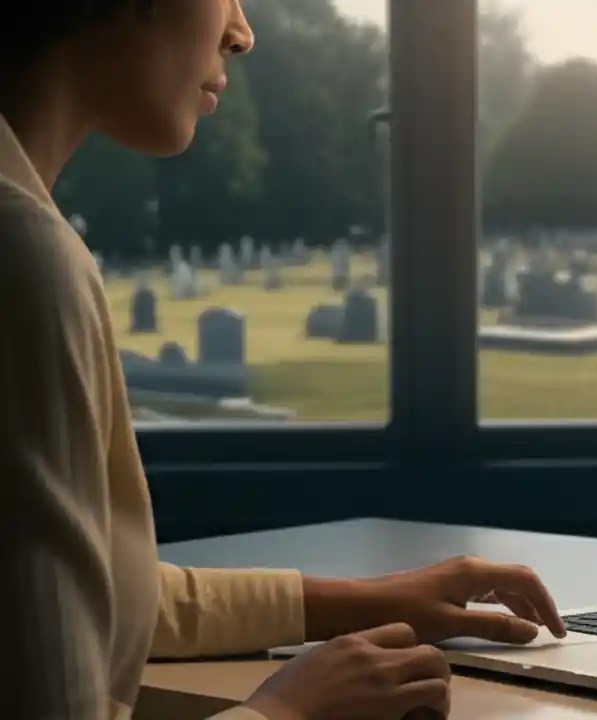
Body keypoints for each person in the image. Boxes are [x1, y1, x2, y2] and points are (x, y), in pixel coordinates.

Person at [0, 2, 567, 718]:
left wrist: (370, 601)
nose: (242, 32)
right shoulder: (21, 256)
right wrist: (289, 711)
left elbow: (105, 592)